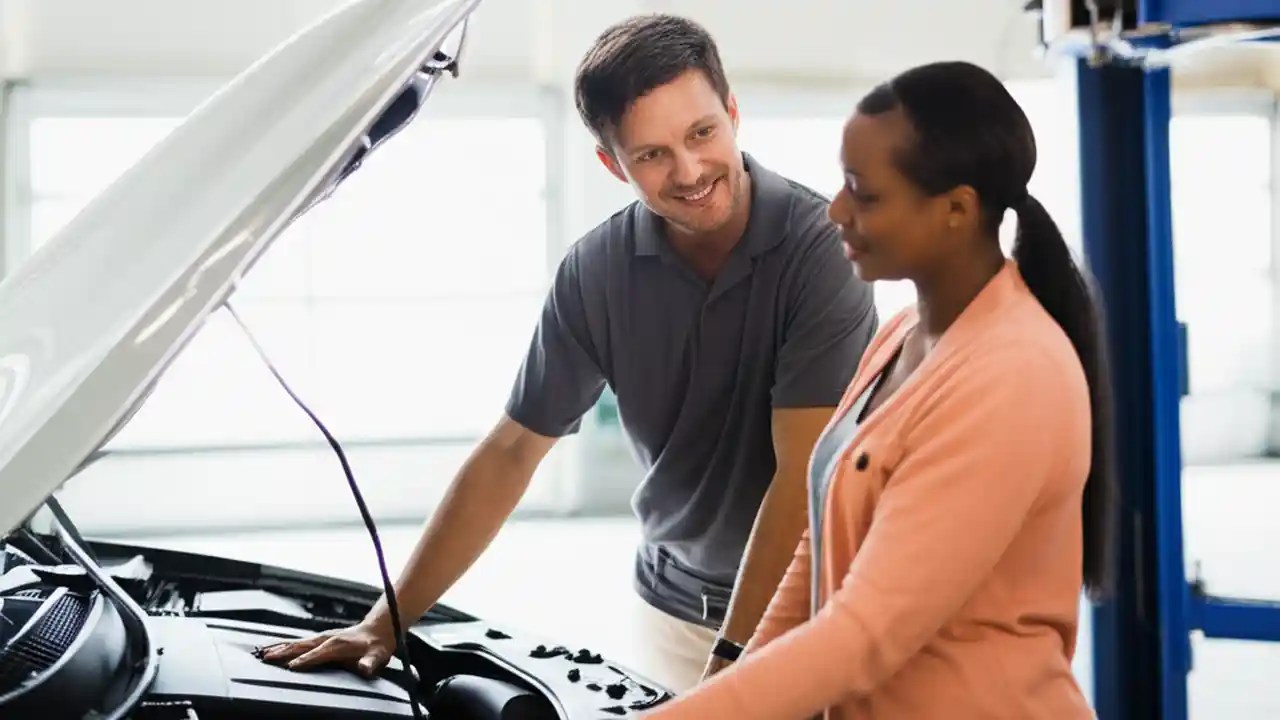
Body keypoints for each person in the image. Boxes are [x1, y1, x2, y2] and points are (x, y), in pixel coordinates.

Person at [258, 14, 877, 692]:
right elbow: (511, 452)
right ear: (613, 164)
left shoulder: (824, 251)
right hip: (671, 610)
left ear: (732, 114)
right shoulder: (596, 272)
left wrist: (730, 668)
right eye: (652, 154)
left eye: (702, 133)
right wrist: (386, 622)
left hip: (807, 608)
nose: (689, 170)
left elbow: (800, 480)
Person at [639, 60, 1118, 719]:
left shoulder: (1013, 373)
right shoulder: (901, 334)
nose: (835, 210)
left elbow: (865, 633)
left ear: (956, 210)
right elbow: (818, 547)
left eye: (864, 195)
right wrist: (728, 677)